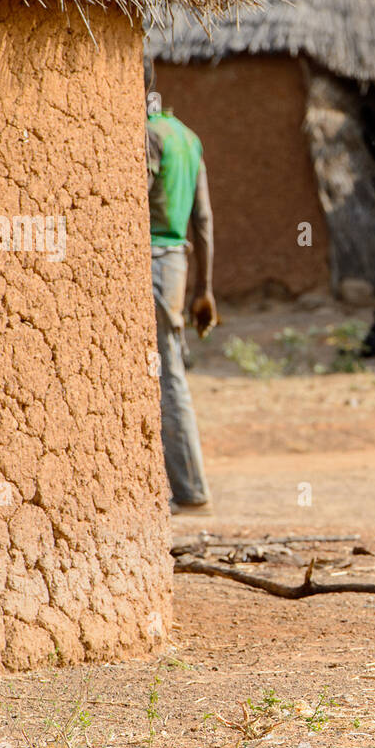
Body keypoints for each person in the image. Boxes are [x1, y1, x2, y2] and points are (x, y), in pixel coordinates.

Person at [145, 61, 218, 515]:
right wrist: (205, 288)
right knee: (167, 369)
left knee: (168, 374)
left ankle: (190, 490)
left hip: (151, 260)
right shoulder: (186, 136)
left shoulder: (149, 136)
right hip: (178, 262)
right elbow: (205, 220)